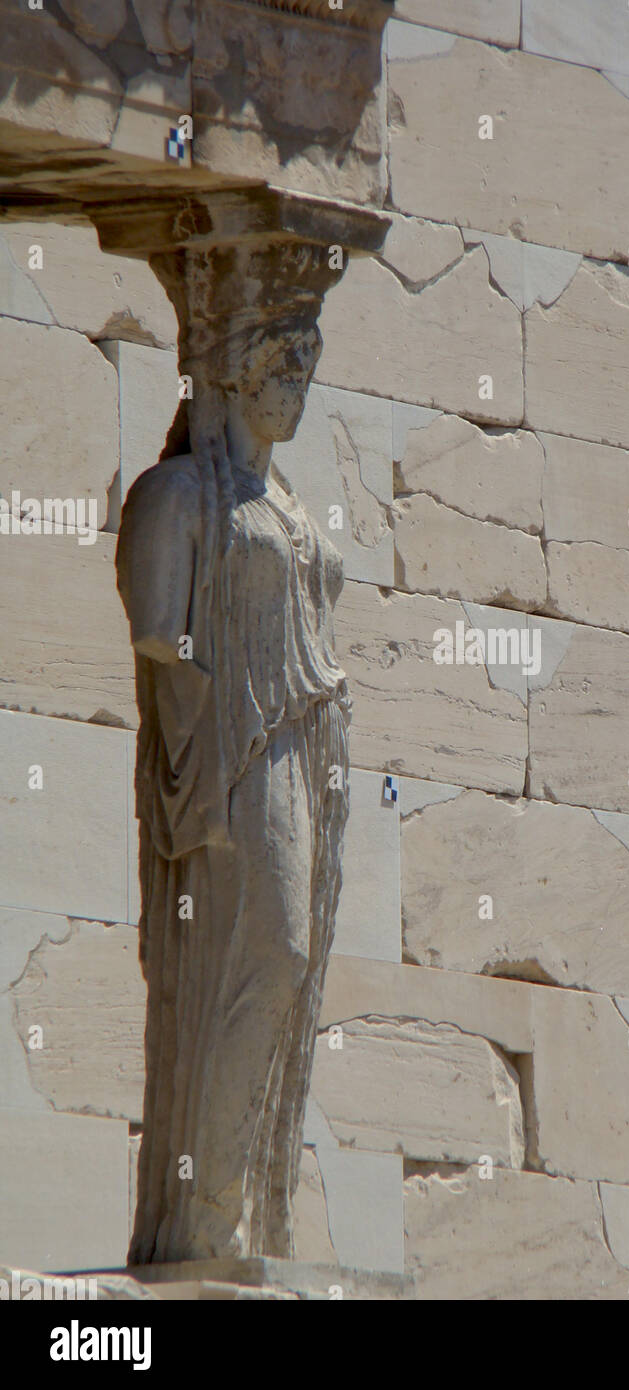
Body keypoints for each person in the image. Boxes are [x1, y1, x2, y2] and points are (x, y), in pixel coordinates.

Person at [116, 242, 350, 1263]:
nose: (298, 385)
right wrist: (193, 775)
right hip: (232, 757)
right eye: (282, 363)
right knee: (264, 958)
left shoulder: (292, 510)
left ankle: (246, 1210)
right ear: (232, 372)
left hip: (306, 754)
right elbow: (158, 632)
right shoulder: (175, 495)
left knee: (295, 975)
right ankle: (201, 1215)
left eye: (308, 362)